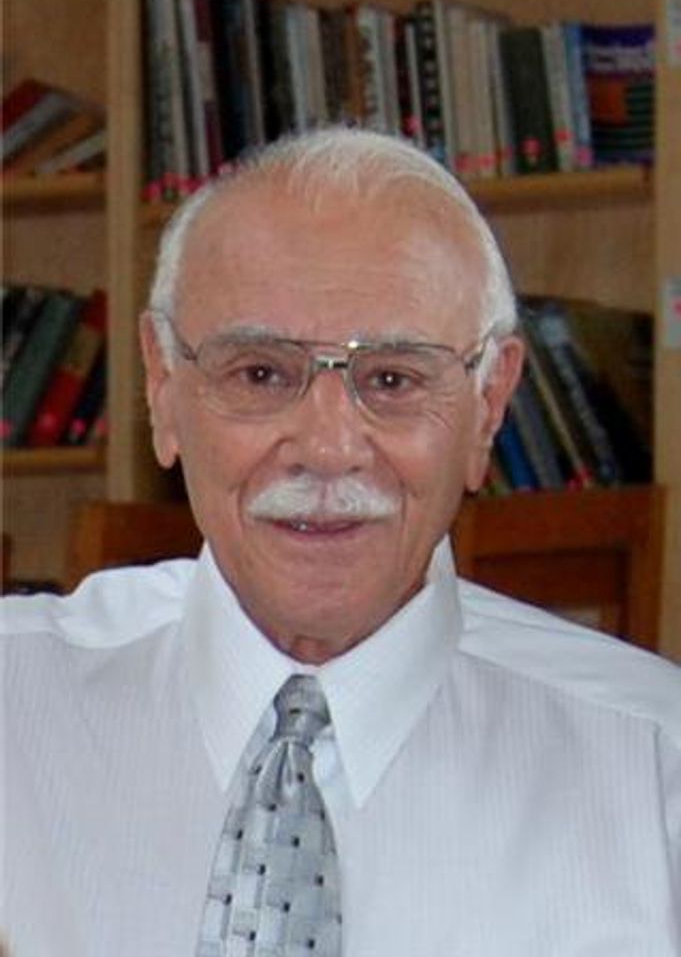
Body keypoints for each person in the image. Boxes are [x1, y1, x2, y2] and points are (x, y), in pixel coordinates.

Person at [2, 127, 679, 957]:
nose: (326, 448)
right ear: (163, 386)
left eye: (392, 380)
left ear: (489, 404)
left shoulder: (655, 773)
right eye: (260, 373)